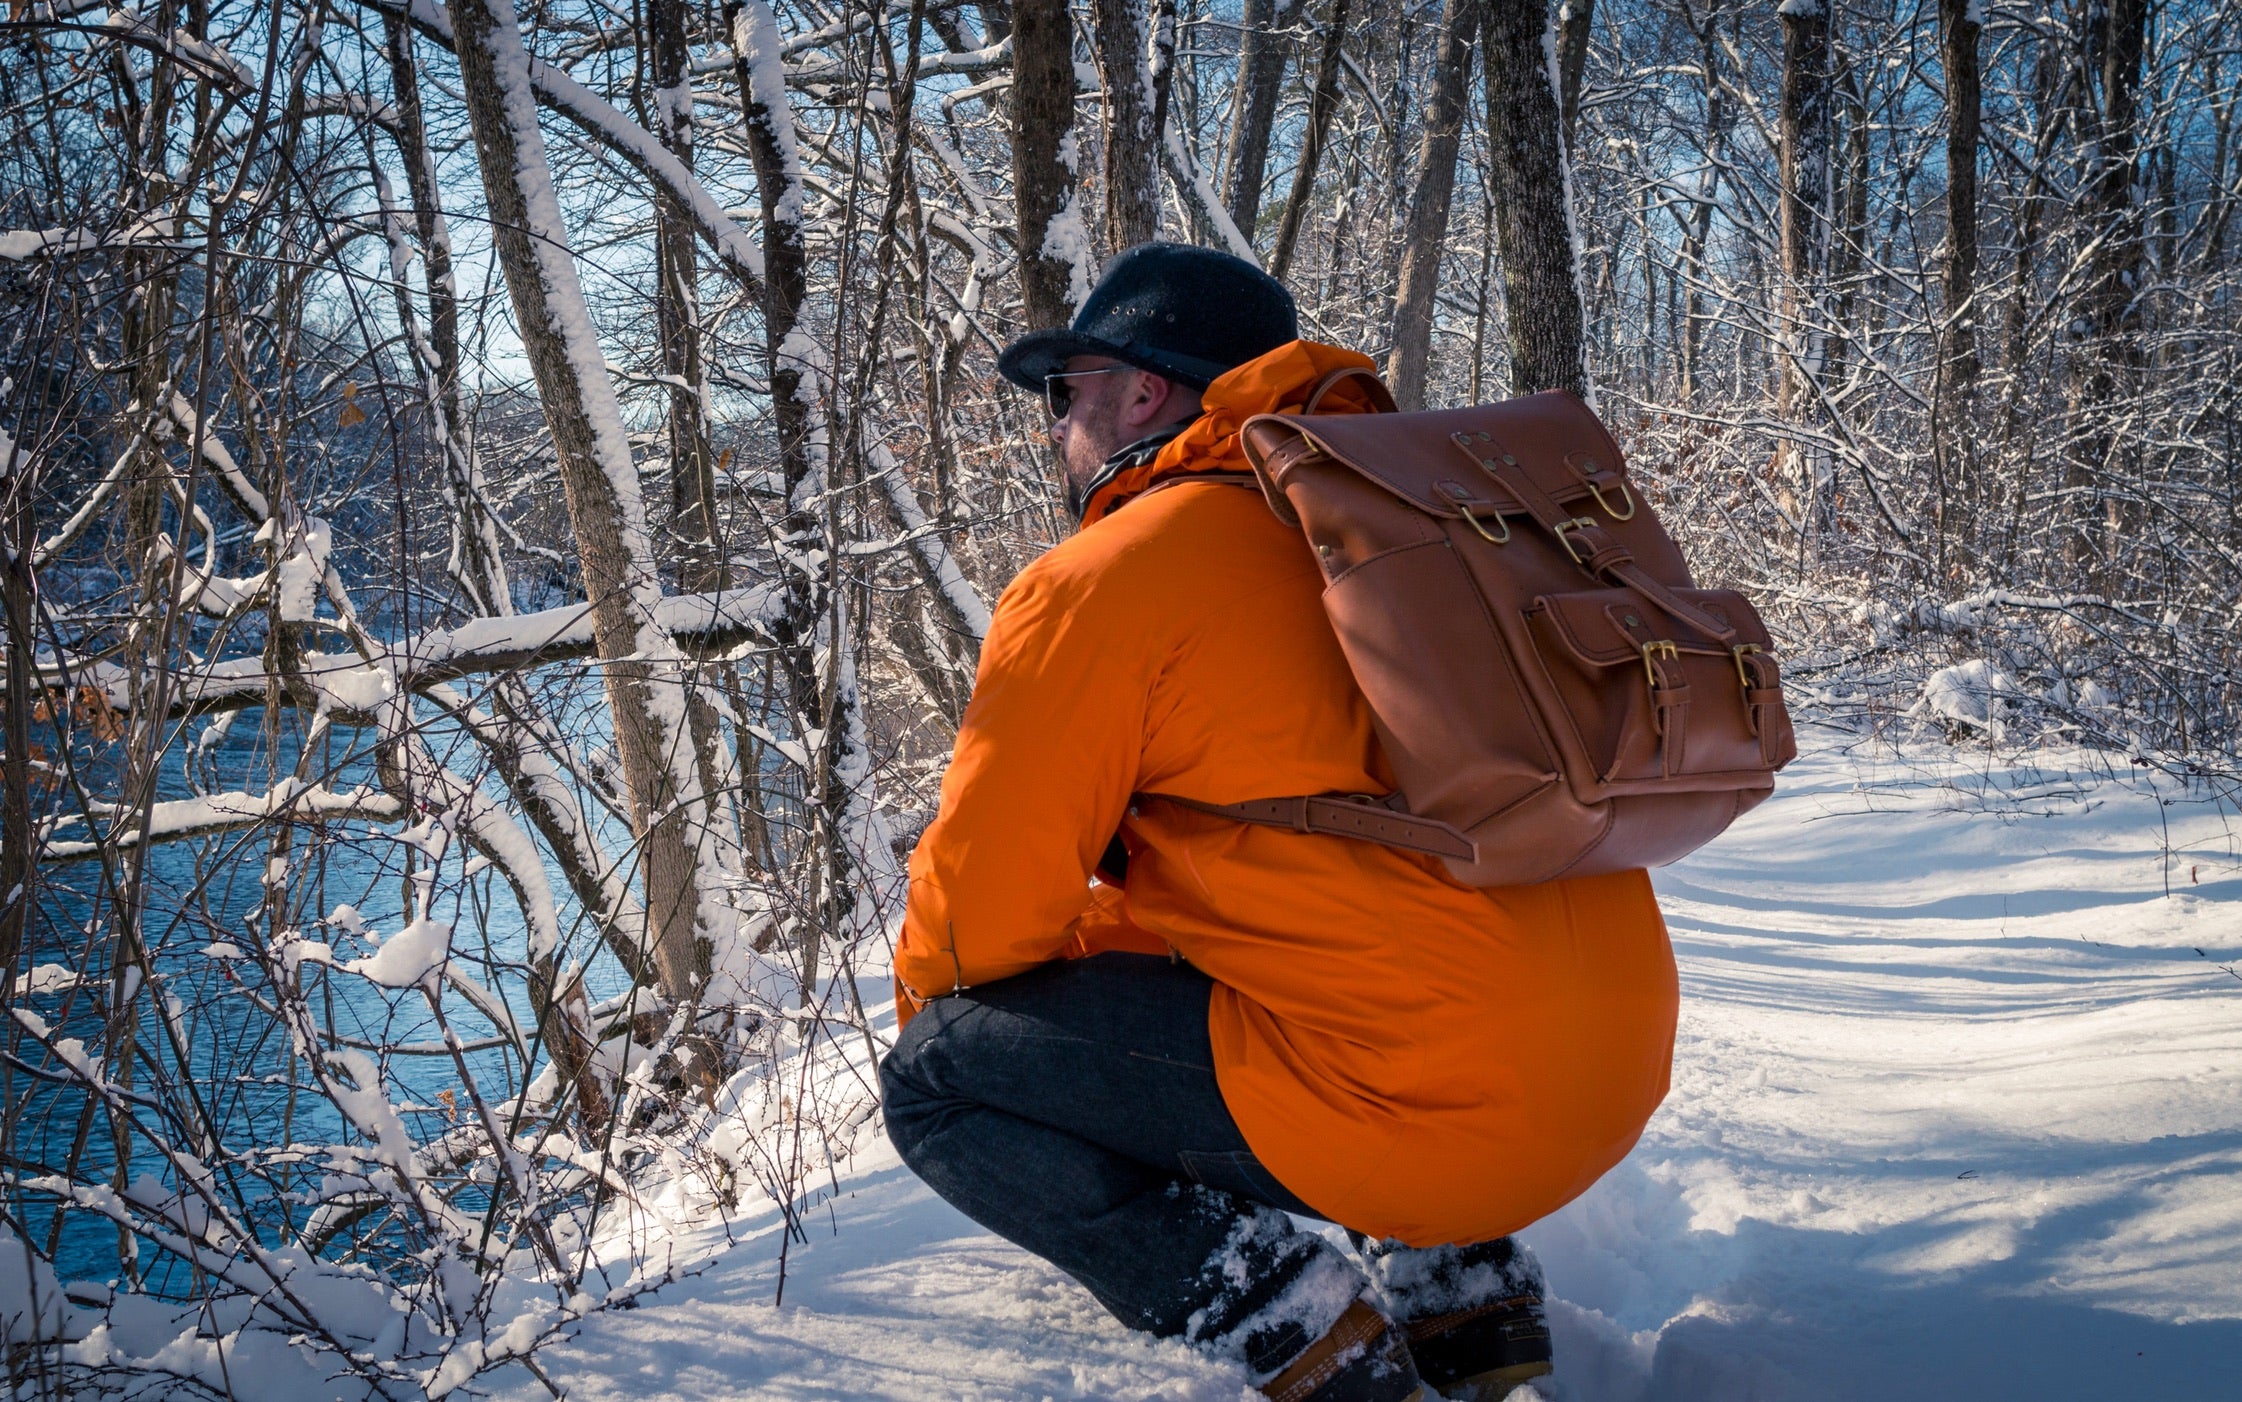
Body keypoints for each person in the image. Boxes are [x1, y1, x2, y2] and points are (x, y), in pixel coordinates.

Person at [878, 243, 1678, 1402]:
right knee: (1336, 951)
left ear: (1140, 391)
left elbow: (979, 921)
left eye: (1066, 390)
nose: (1054, 425)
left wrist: (967, 1033)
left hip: (1429, 1117)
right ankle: (1474, 1304)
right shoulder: (1422, 529)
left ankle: (1308, 1337)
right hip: (1609, 1074)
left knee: (940, 1076)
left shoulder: (1105, 575)